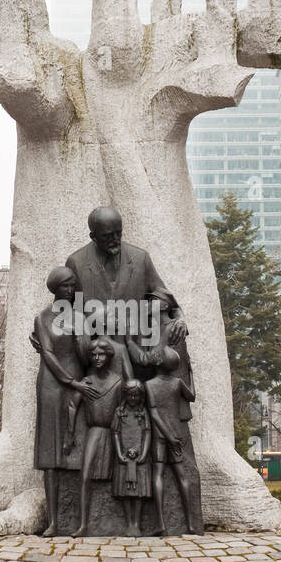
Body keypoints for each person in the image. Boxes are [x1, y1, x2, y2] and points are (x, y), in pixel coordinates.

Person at [65, 207, 187, 375]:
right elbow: (64, 307)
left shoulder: (140, 258)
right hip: (99, 340)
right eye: (108, 235)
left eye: (118, 233)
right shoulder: (76, 262)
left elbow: (164, 296)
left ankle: (169, 397)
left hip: (137, 336)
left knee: (173, 329)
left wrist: (180, 319)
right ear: (93, 236)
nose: (115, 239)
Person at [31, 267, 98, 536]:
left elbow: (88, 354)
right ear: (55, 289)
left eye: (74, 286)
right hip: (52, 385)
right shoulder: (43, 318)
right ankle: (54, 522)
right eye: (67, 286)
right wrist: (71, 382)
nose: (71, 290)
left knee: (79, 449)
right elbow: (47, 353)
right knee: (50, 454)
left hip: (79, 385)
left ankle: (83, 519)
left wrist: (85, 340)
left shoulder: (80, 317)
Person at [64, 338, 123, 536]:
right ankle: (83, 524)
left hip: (114, 432)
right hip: (94, 432)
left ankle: (124, 521)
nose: (97, 358)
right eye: (94, 355)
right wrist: (70, 434)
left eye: (101, 354)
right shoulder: (87, 381)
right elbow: (73, 406)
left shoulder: (117, 381)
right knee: (85, 475)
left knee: (122, 473)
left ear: (108, 356)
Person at [144, 346, 204, 535]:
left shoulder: (150, 385)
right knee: (181, 477)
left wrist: (167, 436)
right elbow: (192, 396)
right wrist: (191, 374)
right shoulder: (178, 383)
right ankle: (190, 523)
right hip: (176, 435)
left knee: (158, 475)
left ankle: (161, 523)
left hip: (161, 436)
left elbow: (154, 413)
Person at [111, 380, 151, 536]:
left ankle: (137, 523)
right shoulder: (119, 412)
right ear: (125, 395)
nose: (133, 398)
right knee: (125, 492)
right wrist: (120, 453)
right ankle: (129, 523)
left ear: (141, 396)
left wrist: (144, 453)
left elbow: (147, 432)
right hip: (124, 457)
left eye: (136, 395)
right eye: (130, 395)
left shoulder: (143, 413)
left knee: (139, 492)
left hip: (141, 457)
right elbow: (114, 432)